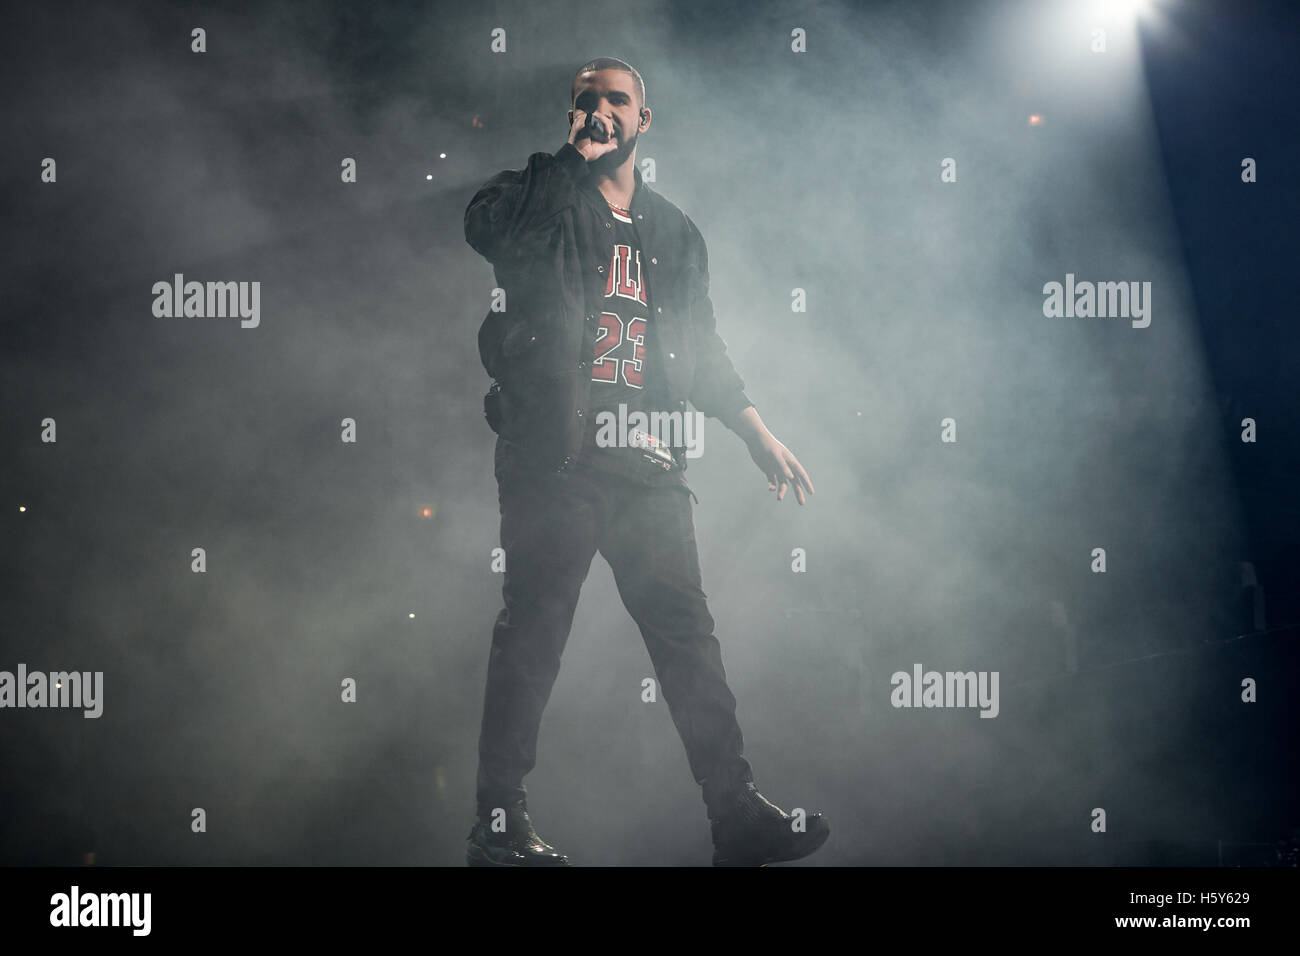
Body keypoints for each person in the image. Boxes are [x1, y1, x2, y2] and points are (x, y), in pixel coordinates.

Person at [462, 56, 828, 866]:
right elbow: (489, 233)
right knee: (534, 636)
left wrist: (755, 431)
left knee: (688, 637)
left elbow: (701, 352)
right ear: (572, 116)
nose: (601, 111)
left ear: (645, 118)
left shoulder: (675, 232)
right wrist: (568, 165)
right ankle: (497, 828)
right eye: (586, 101)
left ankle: (734, 814)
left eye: (616, 101)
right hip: (555, 459)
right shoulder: (542, 195)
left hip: (650, 464)